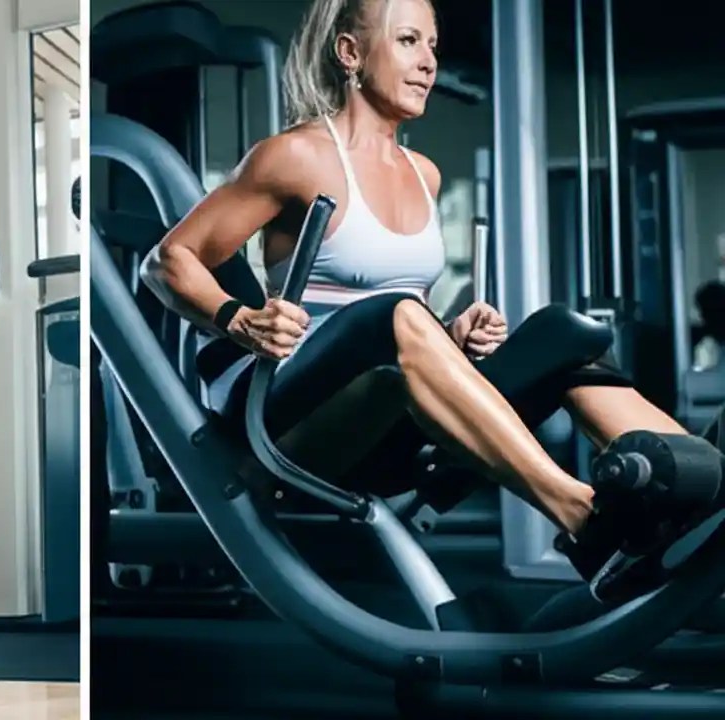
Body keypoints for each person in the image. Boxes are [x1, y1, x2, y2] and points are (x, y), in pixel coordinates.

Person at [139, 0, 706, 596]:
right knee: (396, 315)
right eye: (409, 41)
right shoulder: (295, 157)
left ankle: (701, 482)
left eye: (433, 45)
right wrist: (240, 319)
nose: (429, 62)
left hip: (394, 410)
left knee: (563, 335)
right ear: (351, 53)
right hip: (297, 419)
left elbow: (407, 325)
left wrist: (453, 334)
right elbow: (168, 261)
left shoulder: (423, 173)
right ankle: (584, 519)